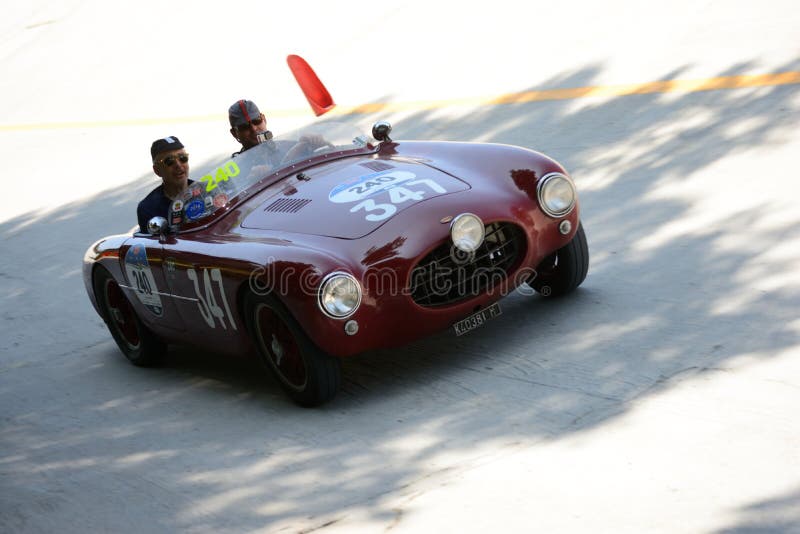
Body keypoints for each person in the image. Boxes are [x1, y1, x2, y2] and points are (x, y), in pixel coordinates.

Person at [228, 99, 330, 161]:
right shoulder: (234, 174)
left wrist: (318, 143)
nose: (253, 128)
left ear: (264, 119)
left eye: (256, 121)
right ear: (234, 134)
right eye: (244, 126)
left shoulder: (292, 146)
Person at [137, 136, 191, 233]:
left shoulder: (207, 191)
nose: (178, 165)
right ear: (157, 170)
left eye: (183, 158)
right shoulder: (148, 208)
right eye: (169, 161)